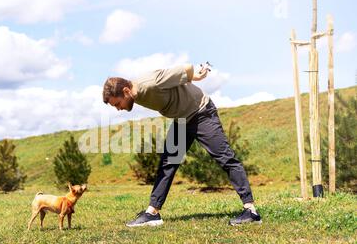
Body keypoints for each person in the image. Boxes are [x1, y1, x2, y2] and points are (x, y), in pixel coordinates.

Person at [102, 64, 262, 227]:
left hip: (201, 113)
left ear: (126, 92)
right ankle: (152, 213)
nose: (118, 109)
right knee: (168, 163)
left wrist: (196, 76)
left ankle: (251, 211)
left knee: (225, 158)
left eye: (117, 104)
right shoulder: (134, 93)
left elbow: (185, 68)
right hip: (182, 120)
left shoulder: (151, 83)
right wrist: (190, 78)